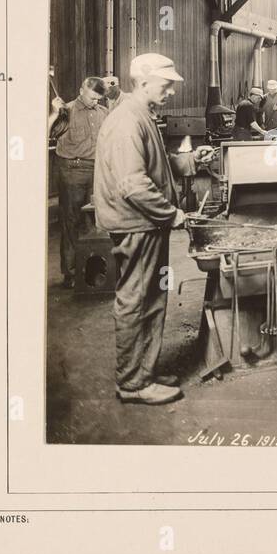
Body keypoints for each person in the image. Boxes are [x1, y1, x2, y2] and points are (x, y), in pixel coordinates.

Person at [93, 53, 215, 405]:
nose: (172, 92)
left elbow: (154, 168)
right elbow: (133, 184)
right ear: (144, 82)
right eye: (166, 85)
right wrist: (172, 214)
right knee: (137, 300)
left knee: (151, 297)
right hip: (138, 225)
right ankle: (132, 383)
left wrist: (191, 160)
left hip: (146, 224)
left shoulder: (142, 116)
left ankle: (144, 370)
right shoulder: (127, 121)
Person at [49, 76, 110, 289]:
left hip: (97, 170)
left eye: (98, 99)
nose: (95, 102)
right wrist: (55, 113)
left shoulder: (104, 113)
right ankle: (71, 273)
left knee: (94, 221)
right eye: (92, 97)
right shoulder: (67, 110)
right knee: (72, 220)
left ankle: (93, 270)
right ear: (82, 89)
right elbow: (46, 133)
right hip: (72, 170)